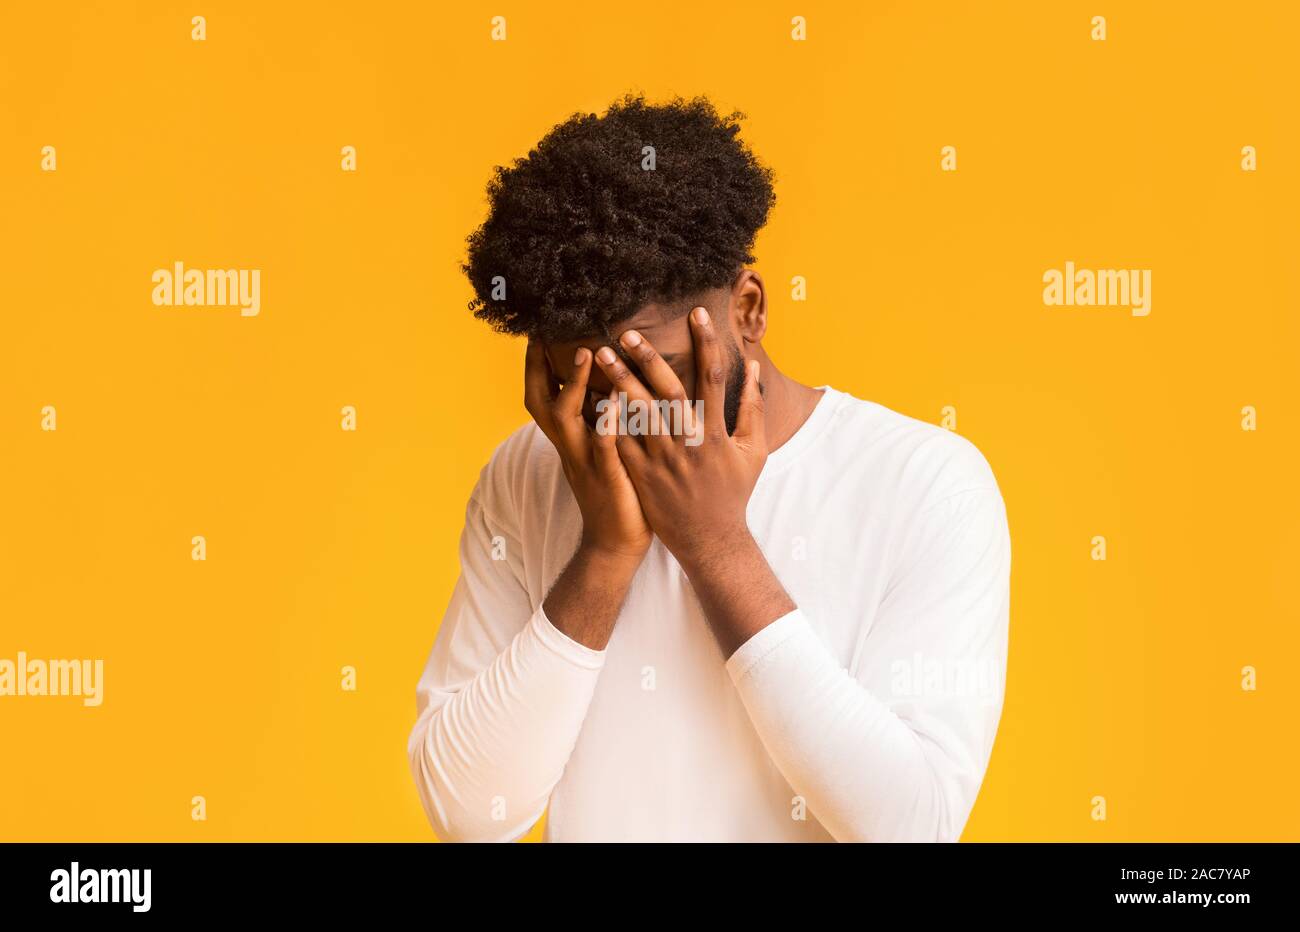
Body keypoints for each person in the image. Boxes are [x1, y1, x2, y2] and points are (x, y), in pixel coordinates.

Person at [407, 94, 1011, 842]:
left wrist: (718, 545)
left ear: (748, 309)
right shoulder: (529, 476)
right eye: (587, 384)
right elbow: (468, 812)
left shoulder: (925, 484)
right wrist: (603, 553)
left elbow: (909, 826)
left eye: (656, 372)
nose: (624, 416)